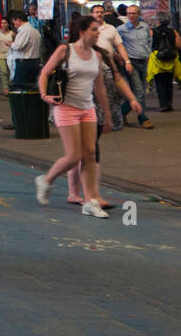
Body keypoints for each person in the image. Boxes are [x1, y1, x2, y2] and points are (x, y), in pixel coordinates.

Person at [34, 16, 137, 219]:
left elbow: (98, 87)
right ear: (82, 32)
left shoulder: (96, 56)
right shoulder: (65, 51)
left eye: (98, 30)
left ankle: (90, 201)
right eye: (93, 30)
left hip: (87, 109)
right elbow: (45, 73)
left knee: (90, 154)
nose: (97, 33)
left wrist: (106, 115)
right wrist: (44, 95)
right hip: (66, 108)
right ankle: (46, 180)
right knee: (73, 156)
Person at [88, 3, 133, 130]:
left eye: (101, 11)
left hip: (109, 67)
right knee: (93, 96)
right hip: (90, 68)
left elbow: (119, 45)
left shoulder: (111, 29)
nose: (99, 14)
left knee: (113, 96)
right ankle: (95, 122)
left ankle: (114, 122)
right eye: (96, 12)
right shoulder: (87, 28)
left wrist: (127, 61)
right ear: (91, 14)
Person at [117, 5, 154, 130]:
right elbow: (116, 45)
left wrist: (148, 53)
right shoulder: (121, 29)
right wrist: (123, 60)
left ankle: (120, 113)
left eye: (134, 13)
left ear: (139, 14)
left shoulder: (145, 27)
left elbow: (149, 41)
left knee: (140, 91)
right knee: (139, 91)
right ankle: (143, 119)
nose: (131, 16)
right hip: (131, 63)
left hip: (143, 61)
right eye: (129, 13)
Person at [149, 17, 181, 111]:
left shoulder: (152, 31)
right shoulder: (173, 31)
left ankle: (163, 105)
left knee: (160, 83)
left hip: (157, 59)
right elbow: (178, 45)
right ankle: (169, 103)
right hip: (171, 59)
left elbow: (148, 44)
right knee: (169, 82)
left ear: (158, 21)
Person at [0, 17, 15, 95]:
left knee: (10, 71)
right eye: (2, 23)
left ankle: (10, 86)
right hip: (0, 54)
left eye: (5, 23)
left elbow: (15, 44)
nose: (3, 24)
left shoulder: (12, 33)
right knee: (4, 71)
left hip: (10, 55)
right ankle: (5, 88)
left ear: (8, 24)